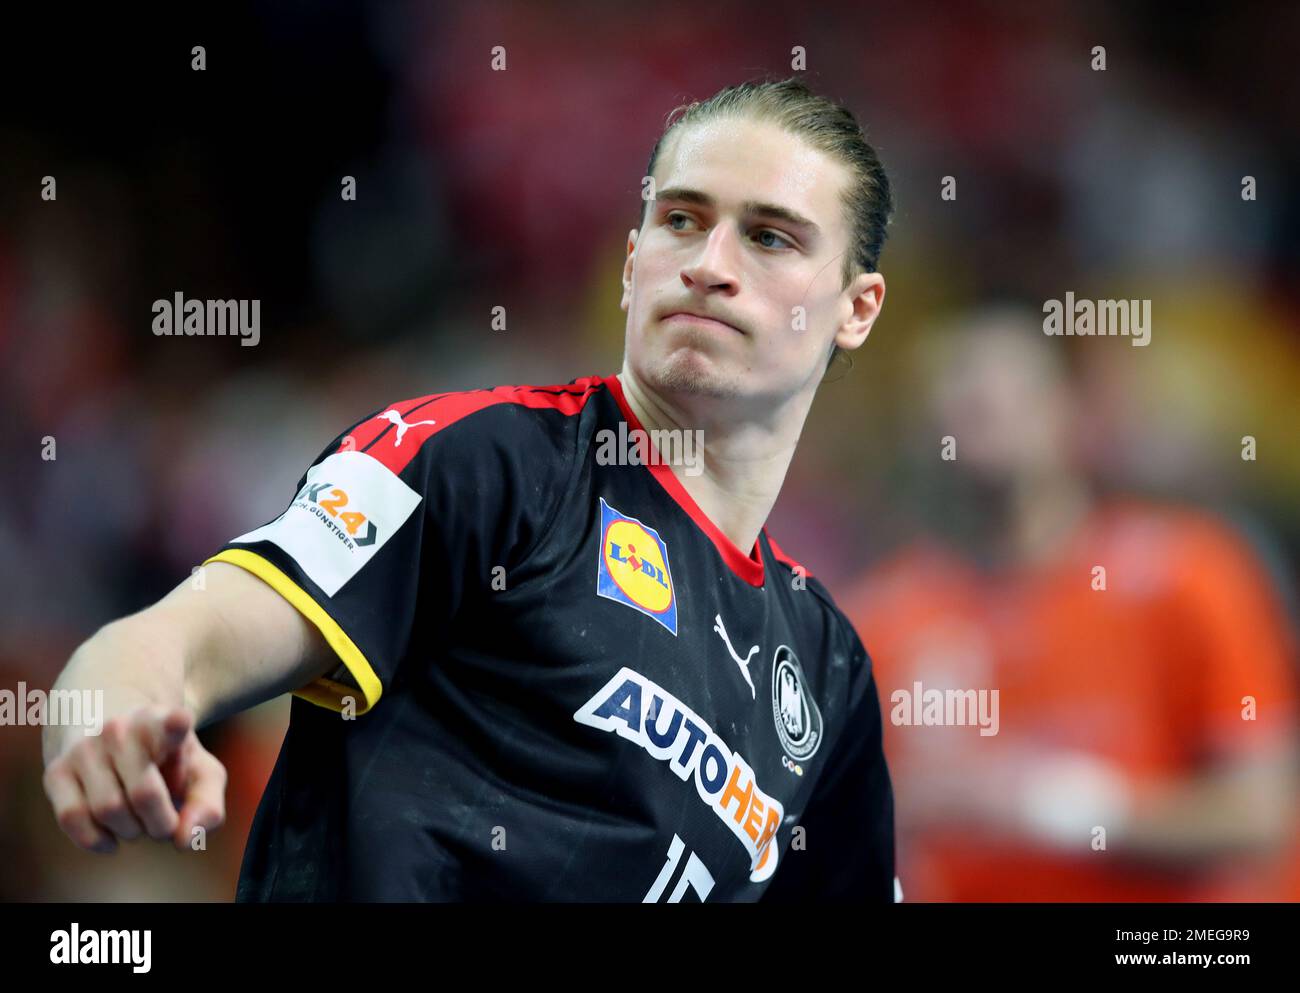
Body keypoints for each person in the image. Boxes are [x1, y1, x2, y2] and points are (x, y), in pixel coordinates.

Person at [42, 78, 899, 901]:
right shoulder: (489, 461)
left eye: (770, 237)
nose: (710, 264)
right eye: (681, 219)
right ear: (634, 262)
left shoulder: (826, 675)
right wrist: (115, 697)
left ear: (856, 309)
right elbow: (189, 632)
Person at [844, 309, 1300, 901]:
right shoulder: (879, 618)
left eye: (1005, 397)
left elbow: (1261, 814)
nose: (979, 421)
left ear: (1072, 411)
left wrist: (1061, 808)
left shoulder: (1189, 575)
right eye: (958, 402)